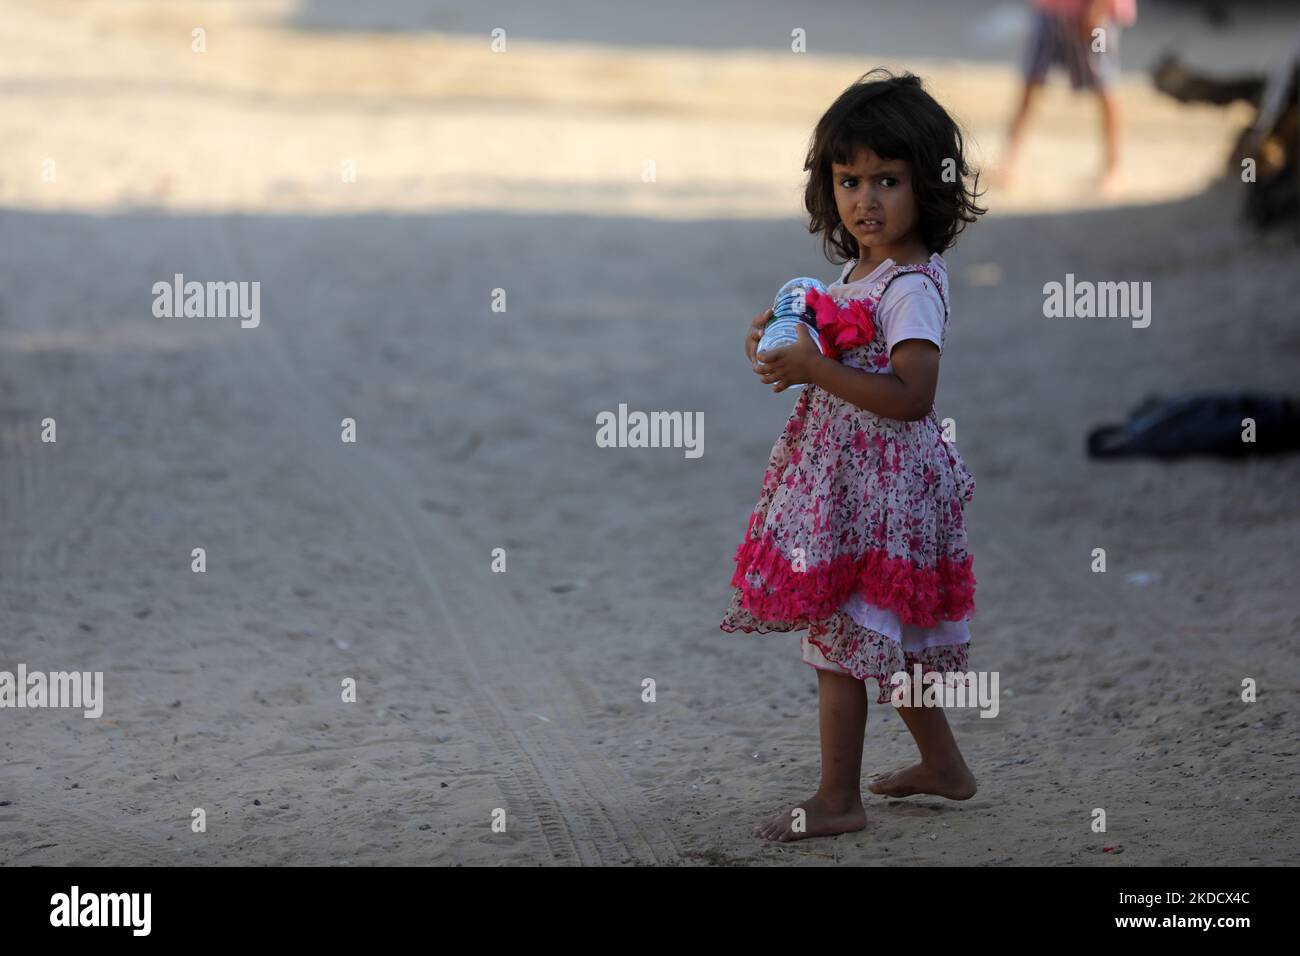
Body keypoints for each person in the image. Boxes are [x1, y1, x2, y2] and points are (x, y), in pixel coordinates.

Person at [721, 69, 986, 842]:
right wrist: (777, 338)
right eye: (848, 180)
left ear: (928, 187)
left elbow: (913, 395)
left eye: (887, 180)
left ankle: (838, 799)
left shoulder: (909, 287)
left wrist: (815, 369)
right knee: (884, 635)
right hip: (854, 484)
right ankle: (943, 768)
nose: (864, 200)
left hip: (884, 492)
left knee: (841, 639)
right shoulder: (859, 272)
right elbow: (834, 335)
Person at [1000, 0, 1138, 193]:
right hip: (1049, 11)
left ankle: (1113, 167)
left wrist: (1097, 9)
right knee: (1031, 80)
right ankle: (1008, 160)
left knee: (1104, 84)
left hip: (1093, 14)